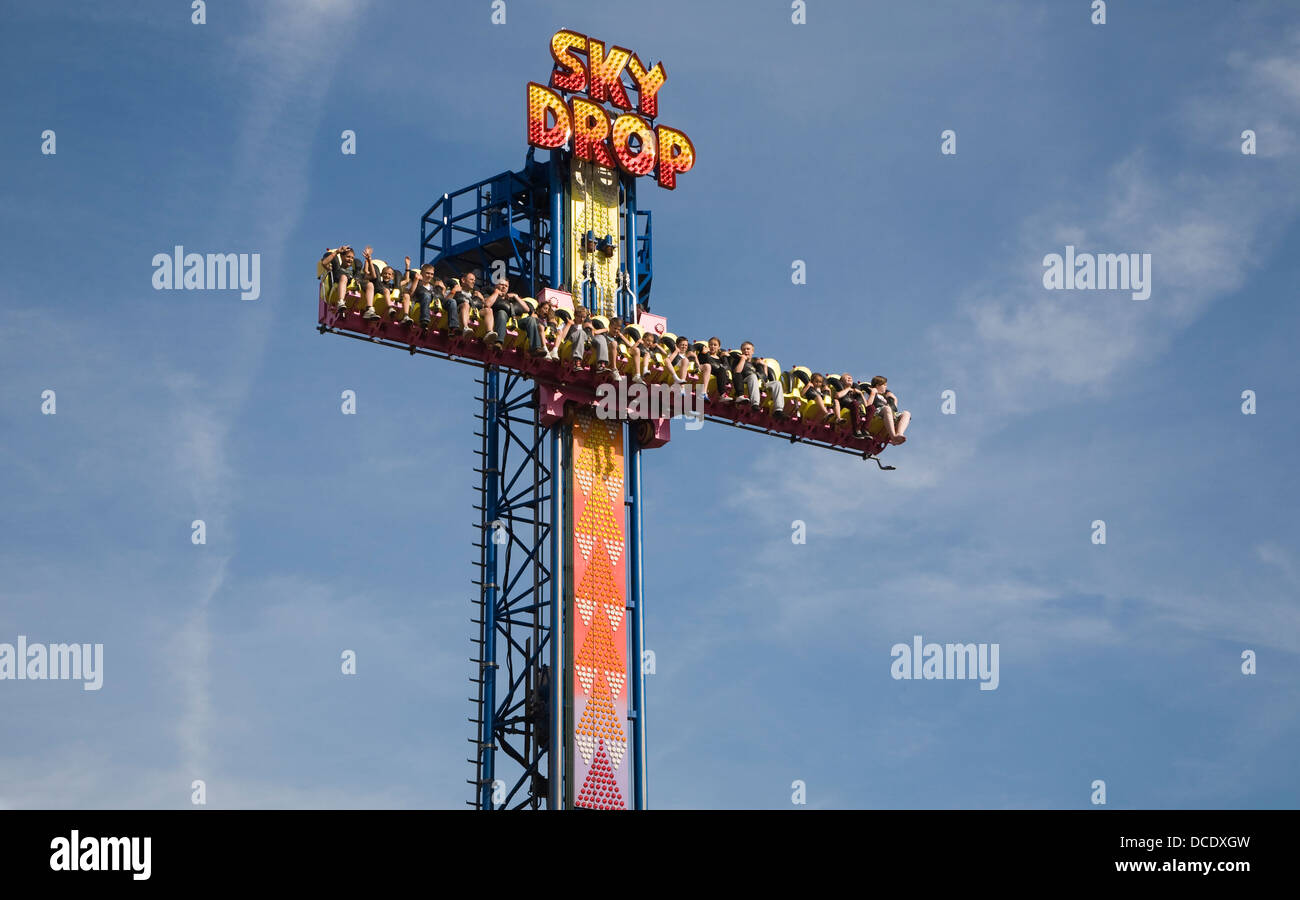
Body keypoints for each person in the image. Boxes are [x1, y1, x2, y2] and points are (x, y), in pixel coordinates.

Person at [865, 376, 910, 444]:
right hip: (875, 412)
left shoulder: (884, 397)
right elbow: (867, 405)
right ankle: (893, 436)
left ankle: (899, 433)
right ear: (878, 385)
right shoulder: (869, 392)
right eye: (884, 385)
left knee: (906, 413)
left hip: (887, 412)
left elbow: (894, 410)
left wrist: (894, 399)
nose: (886, 387)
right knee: (887, 408)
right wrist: (873, 393)